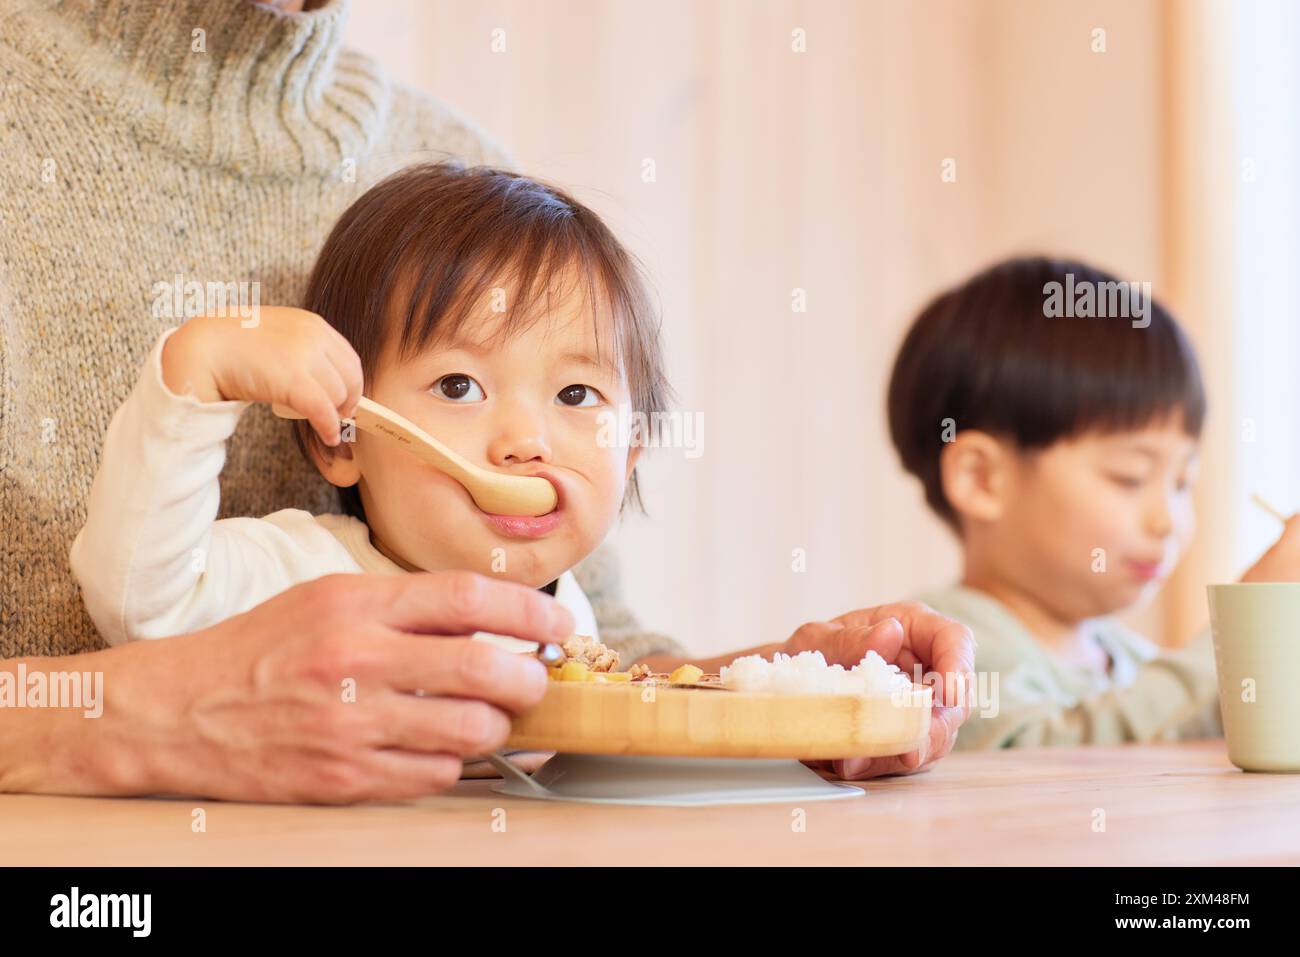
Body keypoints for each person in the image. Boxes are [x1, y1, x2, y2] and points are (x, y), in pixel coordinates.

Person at [0, 0, 972, 801]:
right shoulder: (300, 567)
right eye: (460, 387)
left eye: (578, 396)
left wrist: (788, 694)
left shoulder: (559, 600)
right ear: (337, 439)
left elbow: (599, 703)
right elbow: (141, 593)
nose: (522, 440)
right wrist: (192, 378)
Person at [887, 255, 1300, 748]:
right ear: (982, 478)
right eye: (1131, 477)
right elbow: (1052, 767)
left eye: (1182, 482)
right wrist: (1241, 645)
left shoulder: (1134, 662)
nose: (1168, 521)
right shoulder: (938, 653)